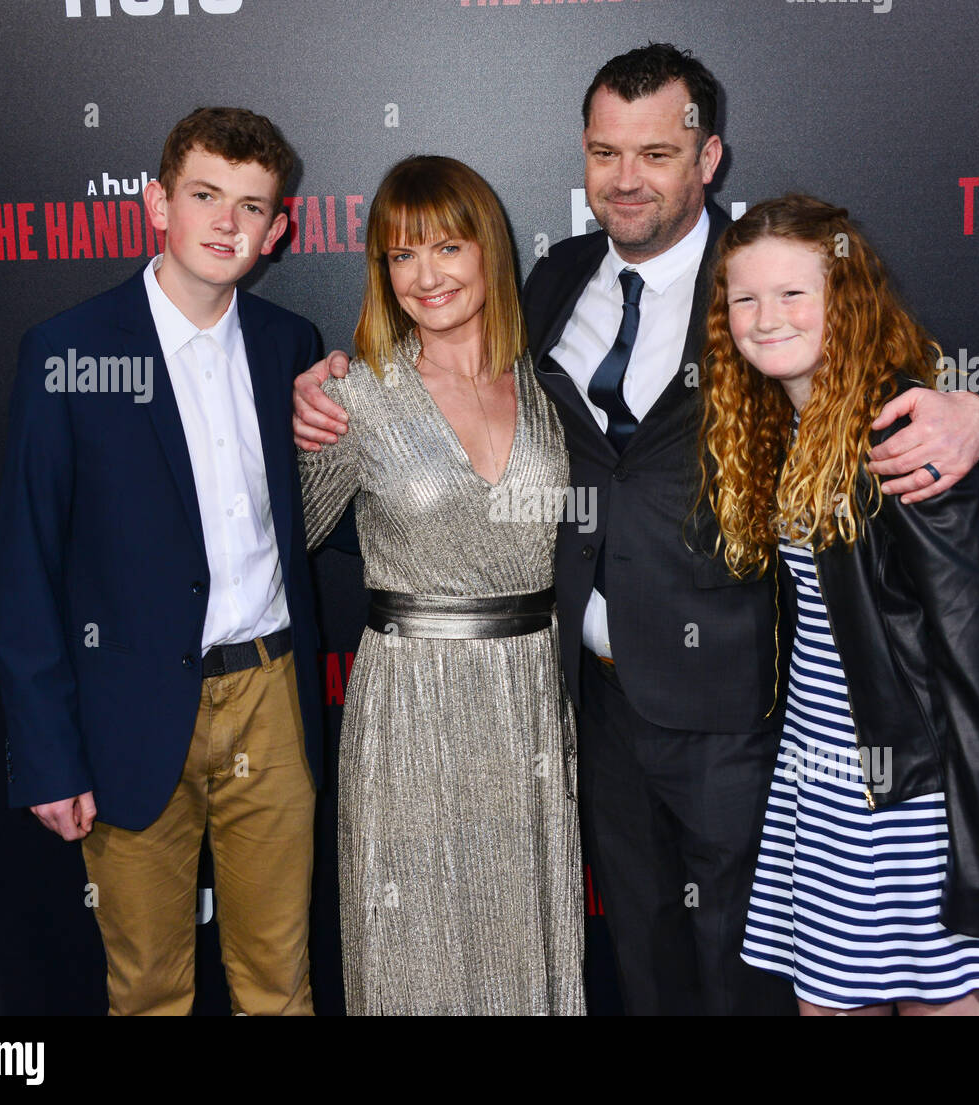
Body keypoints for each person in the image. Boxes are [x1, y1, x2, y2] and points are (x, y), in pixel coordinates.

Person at [293, 45, 979, 1016]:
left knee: (740, 972)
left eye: (655, 152)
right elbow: (431, 435)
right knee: (639, 958)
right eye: (603, 152)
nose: (625, 178)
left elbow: (895, 375)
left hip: (733, 702)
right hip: (583, 704)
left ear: (707, 156)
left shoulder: (758, 271)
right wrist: (331, 392)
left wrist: (977, 418)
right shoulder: (553, 281)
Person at [700, 193, 979, 1015]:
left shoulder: (902, 429)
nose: (766, 317)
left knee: (945, 1008)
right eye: (746, 297)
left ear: (843, 300)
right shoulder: (784, 423)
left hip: (926, 796)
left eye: (793, 294)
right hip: (830, 780)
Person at [0, 108, 329, 1015]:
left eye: (251, 206)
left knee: (279, 982)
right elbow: (25, 568)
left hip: (270, 696)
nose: (227, 223)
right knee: (146, 989)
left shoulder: (285, 346)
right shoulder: (67, 353)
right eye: (206, 196)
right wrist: (49, 757)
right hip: (127, 712)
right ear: (157, 203)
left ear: (278, 229)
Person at [297, 155, 584, 1016]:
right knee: (413, 944)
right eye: (400, 255)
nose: (426, 276)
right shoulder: (355, 397)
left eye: (447, 247)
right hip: (409, 706)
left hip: (532, 699)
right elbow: (277, 543)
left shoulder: (551, 386)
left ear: (488, 250)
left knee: (526, 940)